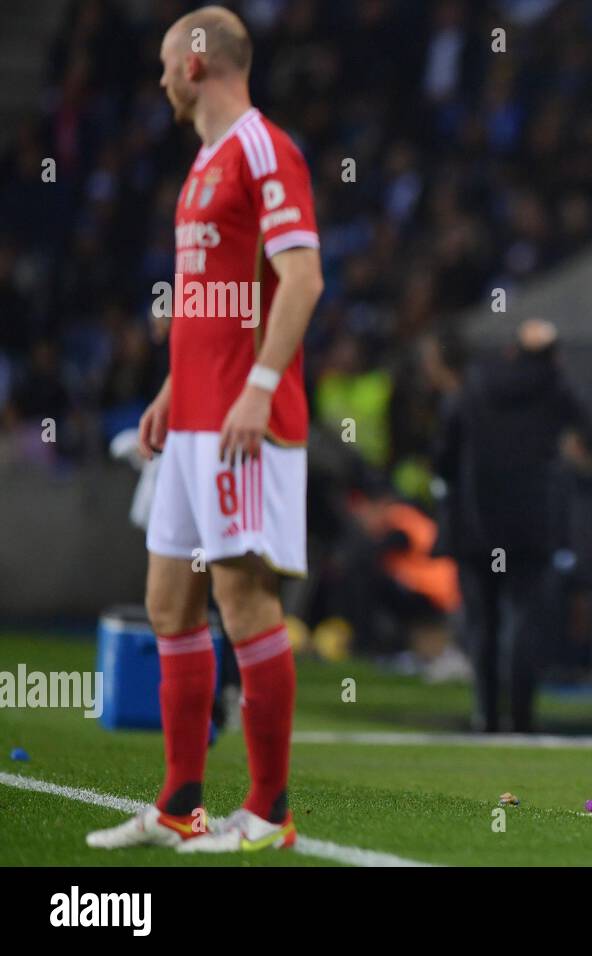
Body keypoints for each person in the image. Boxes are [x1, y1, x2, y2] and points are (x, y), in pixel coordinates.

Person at [87, 7, 322, 853]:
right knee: (167, 604)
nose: (155, 80)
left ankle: (269, 813)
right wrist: (167, 386)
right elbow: (207, 299)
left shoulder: (265, 148)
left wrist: (258, 388)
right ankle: (182, 804)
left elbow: (302, 278)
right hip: (191, 417)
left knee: (244, 599)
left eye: (162, 64)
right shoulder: (202, 165)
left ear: (195, 64)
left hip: (242, 422)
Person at [437, 318, 582, 732]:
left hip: (476, 524)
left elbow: (444, 453)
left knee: (482, 622)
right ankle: (521, 717)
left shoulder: (470, 387)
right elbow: (586, 435)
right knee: (524, 621)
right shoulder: (554, 390)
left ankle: (486, 715)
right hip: (532, 525)